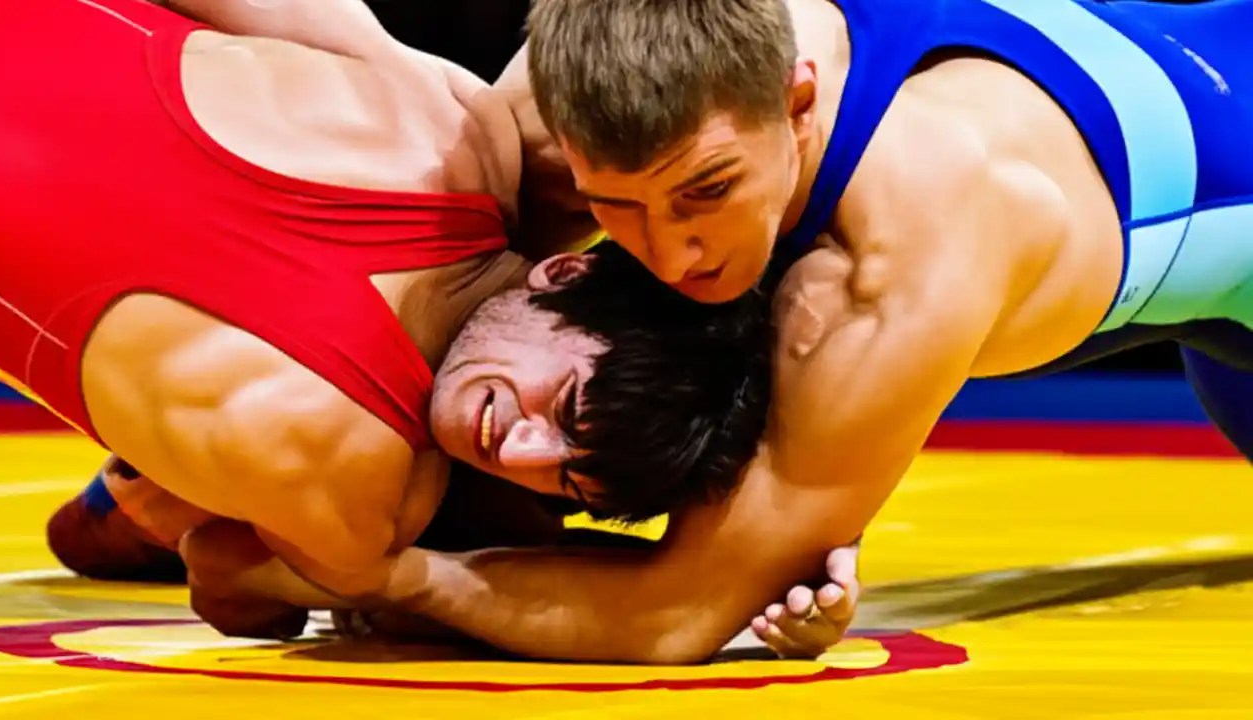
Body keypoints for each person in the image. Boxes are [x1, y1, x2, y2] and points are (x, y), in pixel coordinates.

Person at [325, 0, 1253, 663]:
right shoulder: (572, 85)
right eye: (617, 206)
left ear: (797, 100)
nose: (672, 254)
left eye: (709, 190)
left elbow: (674, 616)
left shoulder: (899, 249)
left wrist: (382, 577)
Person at [0, 0, 764, 640]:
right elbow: (226, 576)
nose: (518, 446)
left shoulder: (454, 121)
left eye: (561, 475)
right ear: (565, 270)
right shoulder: (365, 495)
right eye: (563, 406)